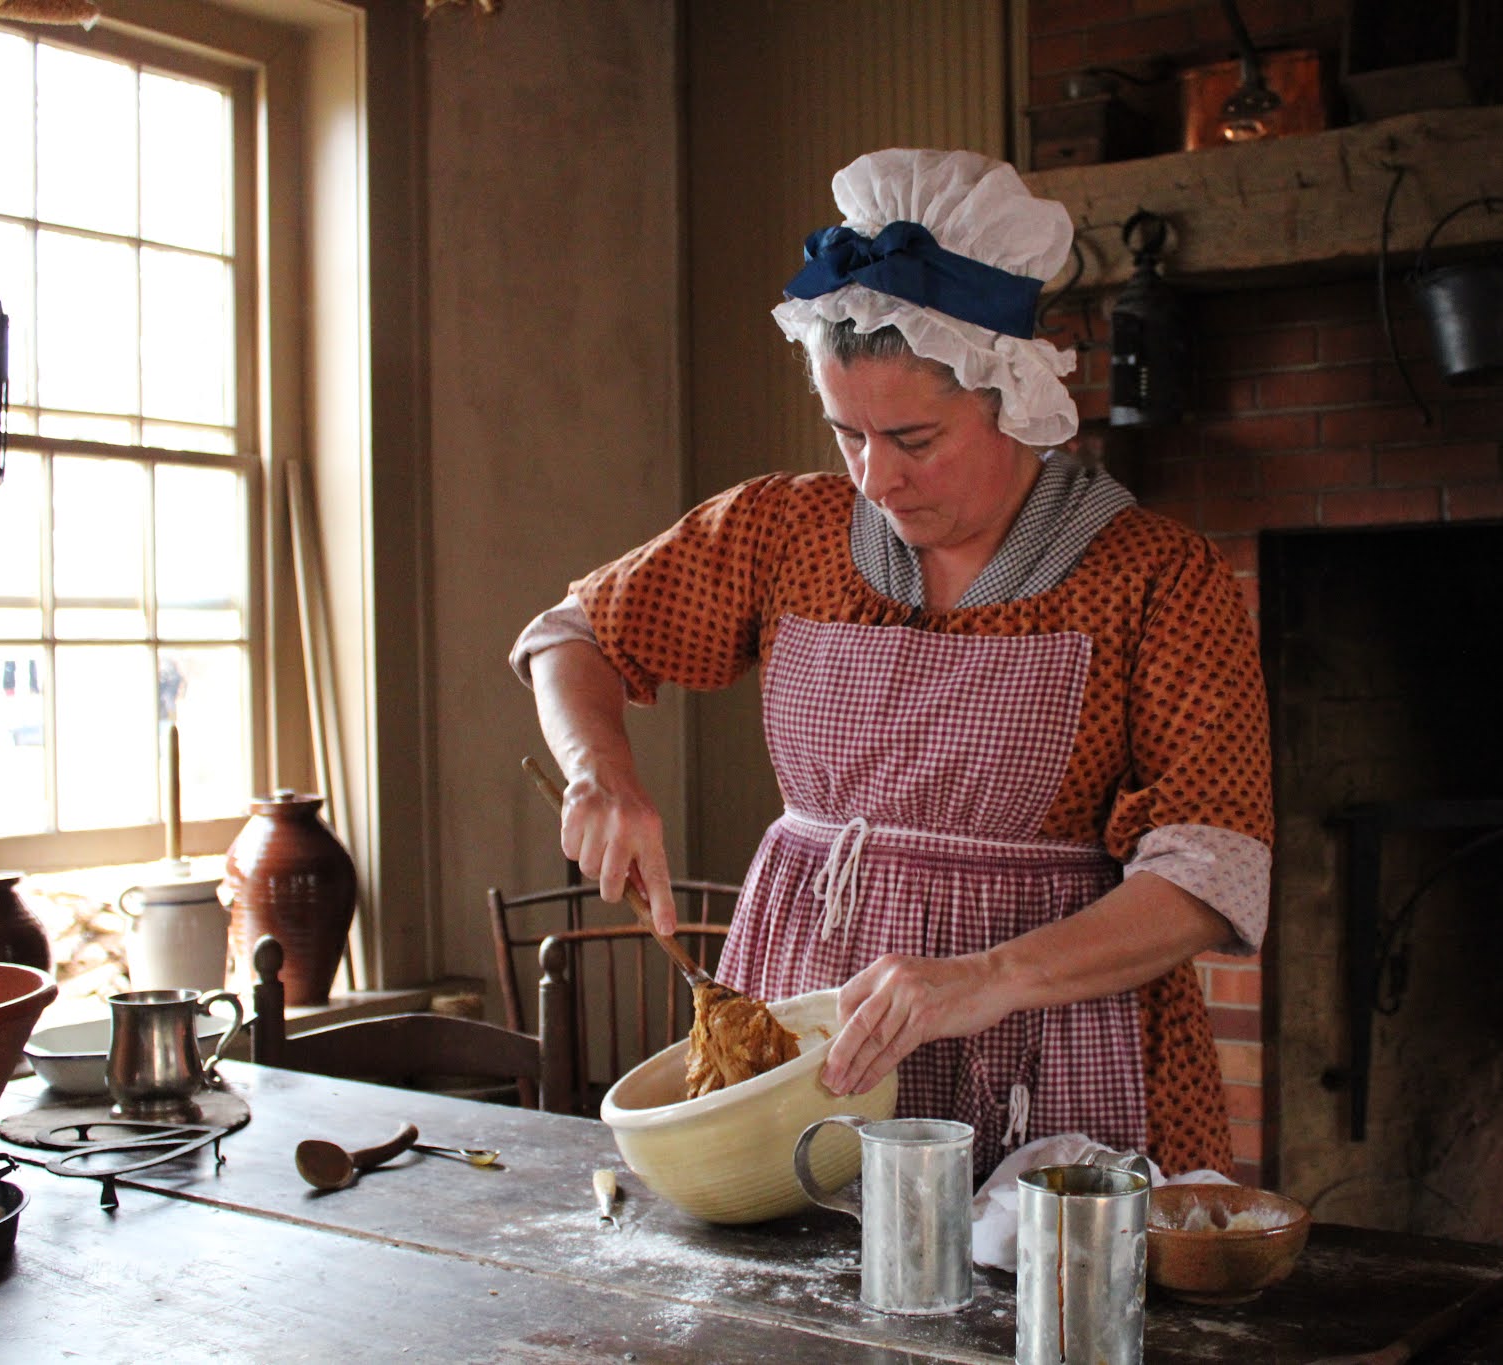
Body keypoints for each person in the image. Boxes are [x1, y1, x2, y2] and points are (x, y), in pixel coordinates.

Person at [513, 148, 1272, 1179]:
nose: (875, 477)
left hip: (1053, 1038)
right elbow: (575, 633)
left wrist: (983, 979)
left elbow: (1206, 873)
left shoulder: (1150, 576)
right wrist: (599, 771)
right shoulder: (783, 530)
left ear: (1007, 395)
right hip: (808, 1032)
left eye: (913, 438)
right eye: (846, 433)